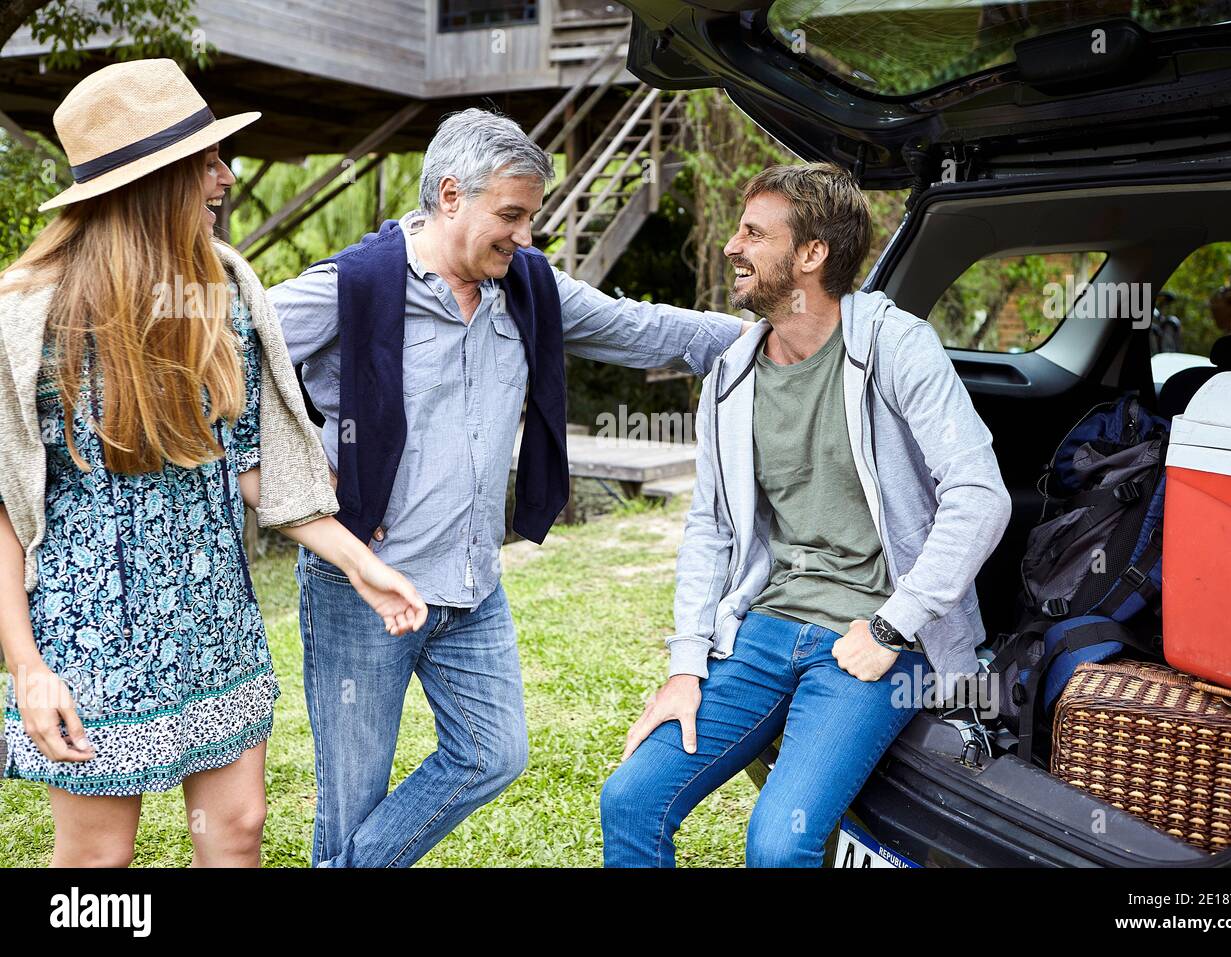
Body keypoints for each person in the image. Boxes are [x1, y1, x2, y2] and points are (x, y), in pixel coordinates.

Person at [268, 107, 748, 867]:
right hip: (362, 590)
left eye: (532, 218)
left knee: (494, 753)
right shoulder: (350, 289)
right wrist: (299, 466)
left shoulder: (528, 287)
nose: (525, 235)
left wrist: (785, 333)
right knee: (352, 799)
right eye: (513, 215)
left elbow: (644, 329)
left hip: (471, 587)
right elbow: (218, 361)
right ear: (451, 195)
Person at [0, 58, 427, 868]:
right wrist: (26, 666)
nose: (224, 178)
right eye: (206, 162)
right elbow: (6, 505)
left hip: (212, 618)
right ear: (156, 181)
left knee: (235, 830)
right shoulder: (27, 317)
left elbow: (256, 463)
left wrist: (359, 561)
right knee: (98, 859)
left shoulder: (222, 292)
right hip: (89, 635)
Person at [600, 163, 1012, 867]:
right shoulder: (732, 374)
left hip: (874, 641)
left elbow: (980, 495)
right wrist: (685, 664)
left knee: (779, 840)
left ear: (812, 254)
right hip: (765, 626)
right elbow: (710, 527)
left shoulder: (894, 345)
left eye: (754, 233)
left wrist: (892, 623)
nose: (733, 245)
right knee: (630, 800)